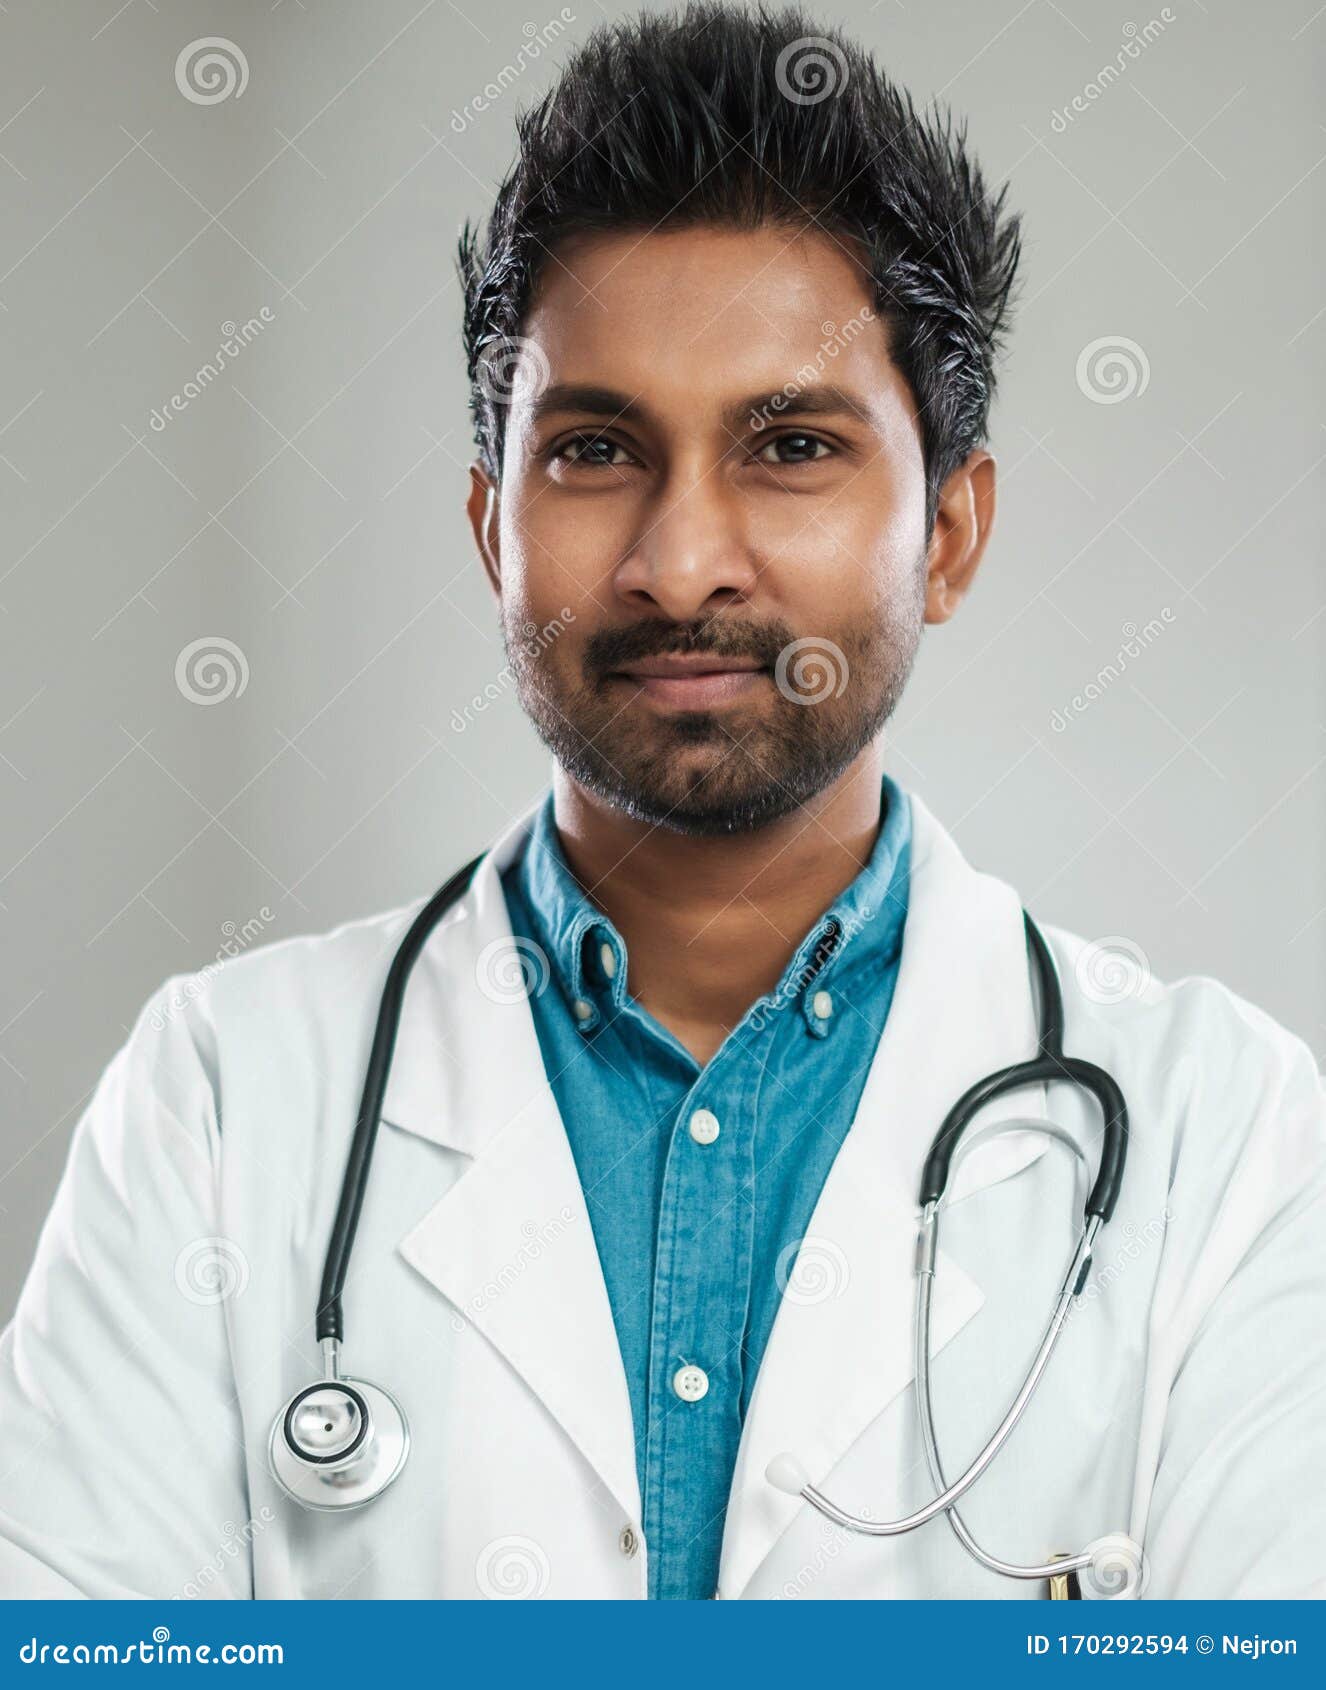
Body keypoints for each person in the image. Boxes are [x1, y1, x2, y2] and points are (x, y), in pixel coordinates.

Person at [1, 2, 1322, 1602]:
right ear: (492, 528)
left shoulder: (1221, 1136)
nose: (681, 558)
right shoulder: (218, 1102)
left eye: (788, 443)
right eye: (595, 449)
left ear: (951, 534)